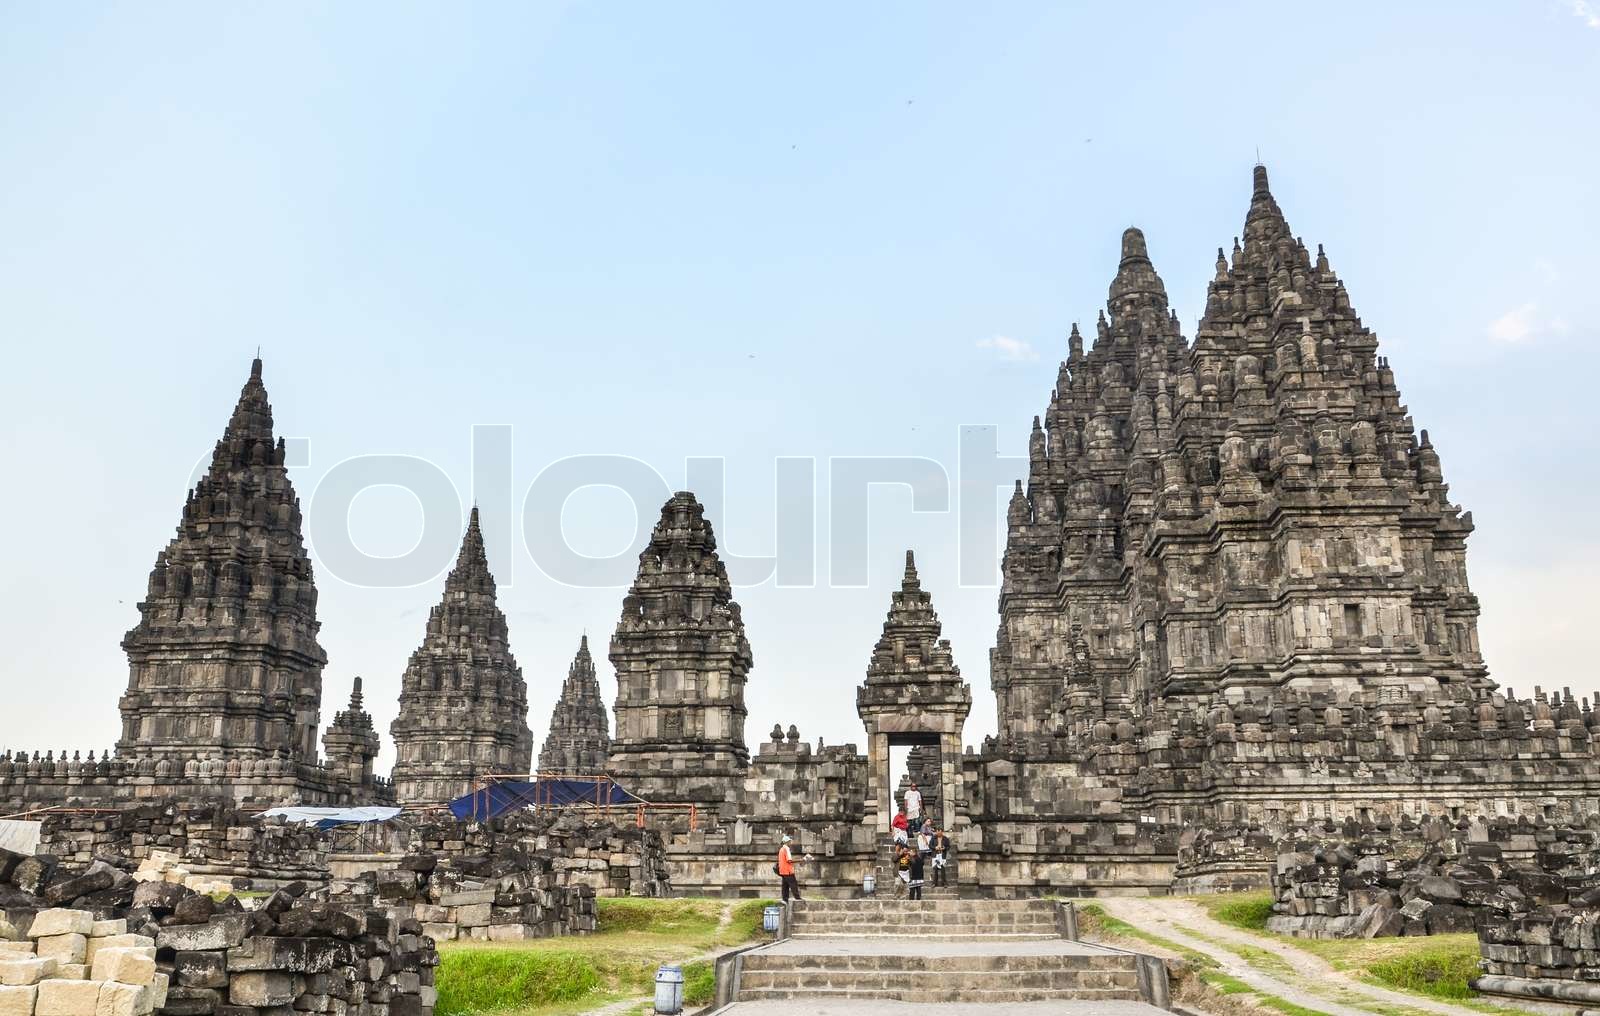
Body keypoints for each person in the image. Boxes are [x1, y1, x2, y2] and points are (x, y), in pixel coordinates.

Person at [776, 833, 808, 904]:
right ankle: (797, 897)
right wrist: (800, 860)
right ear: (787, 842)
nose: (790, 842)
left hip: (782, 870)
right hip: (788, 871)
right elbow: (789, 860)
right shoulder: (786, 849)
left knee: (785, 885)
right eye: (789, 841)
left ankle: (785, 899)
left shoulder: (781, 849)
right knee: (793, 883)